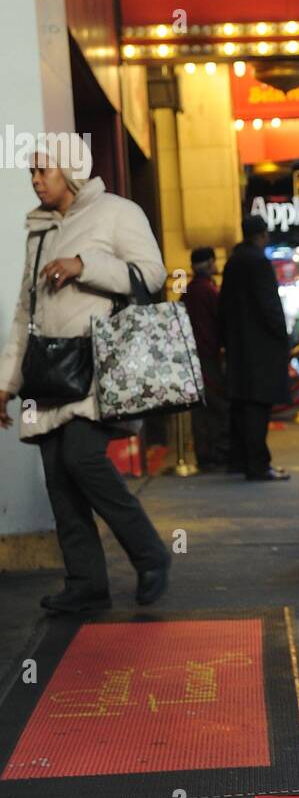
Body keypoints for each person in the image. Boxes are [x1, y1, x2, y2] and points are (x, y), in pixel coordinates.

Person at [0, 154, 171, 614]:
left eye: (44, 170)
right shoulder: (36, 229)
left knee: (80, 459)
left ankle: (151, 553)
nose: (36, 180)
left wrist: (84, 264)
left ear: (70, 170)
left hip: (96, 366)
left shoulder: (117, 211)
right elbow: (25, 311)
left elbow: (151, 274)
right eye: (31, 172)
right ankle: (86, 583)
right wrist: (6, 382)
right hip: (46, 373)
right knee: (58, 476)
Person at [219, 214, 291, 482]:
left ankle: (239, 459)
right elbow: (268, 305)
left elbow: (223, 308)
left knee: (241, 406)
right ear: (261, 235)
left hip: (238, 348)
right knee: (258, 408)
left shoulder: (232, 262)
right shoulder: (259, 262)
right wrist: (282, 336)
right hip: (261, 349)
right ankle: (259, 464)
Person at [183, 246, 229, 472]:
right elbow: (219, 320)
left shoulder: (188, 291)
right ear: (209, 263)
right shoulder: (209, 291)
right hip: (208, 356)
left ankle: (204, 452)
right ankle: (217, 451)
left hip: (192, 356)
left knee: (199, 408)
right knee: (217, 405)